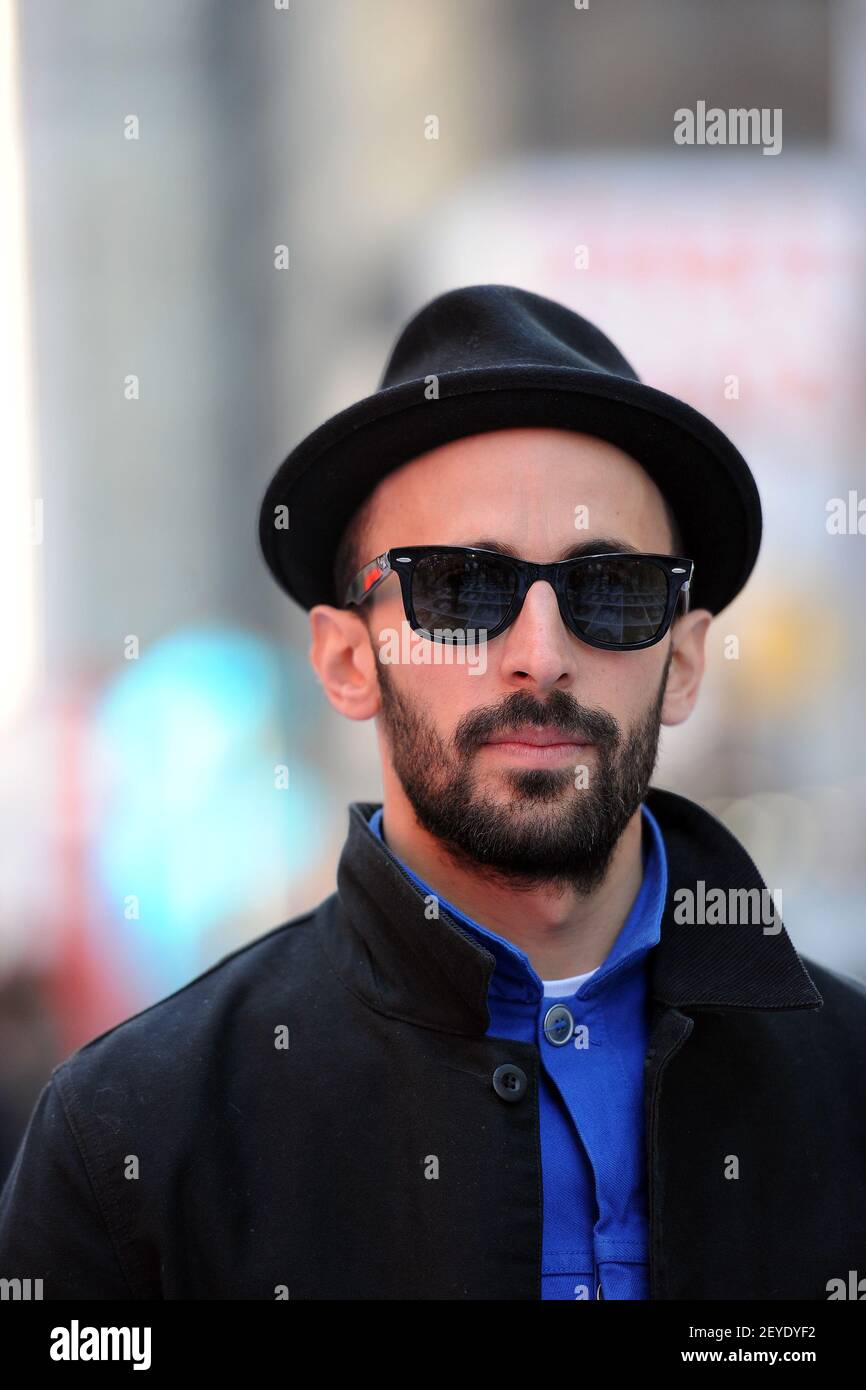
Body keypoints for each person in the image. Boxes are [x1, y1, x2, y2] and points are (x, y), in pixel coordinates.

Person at [2, 284, 865, 1300]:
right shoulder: (133, 1141)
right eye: (461, 589)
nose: (539, 658)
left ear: (681, 662)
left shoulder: (845, 1091)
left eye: (611, 589)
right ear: (345, 659)